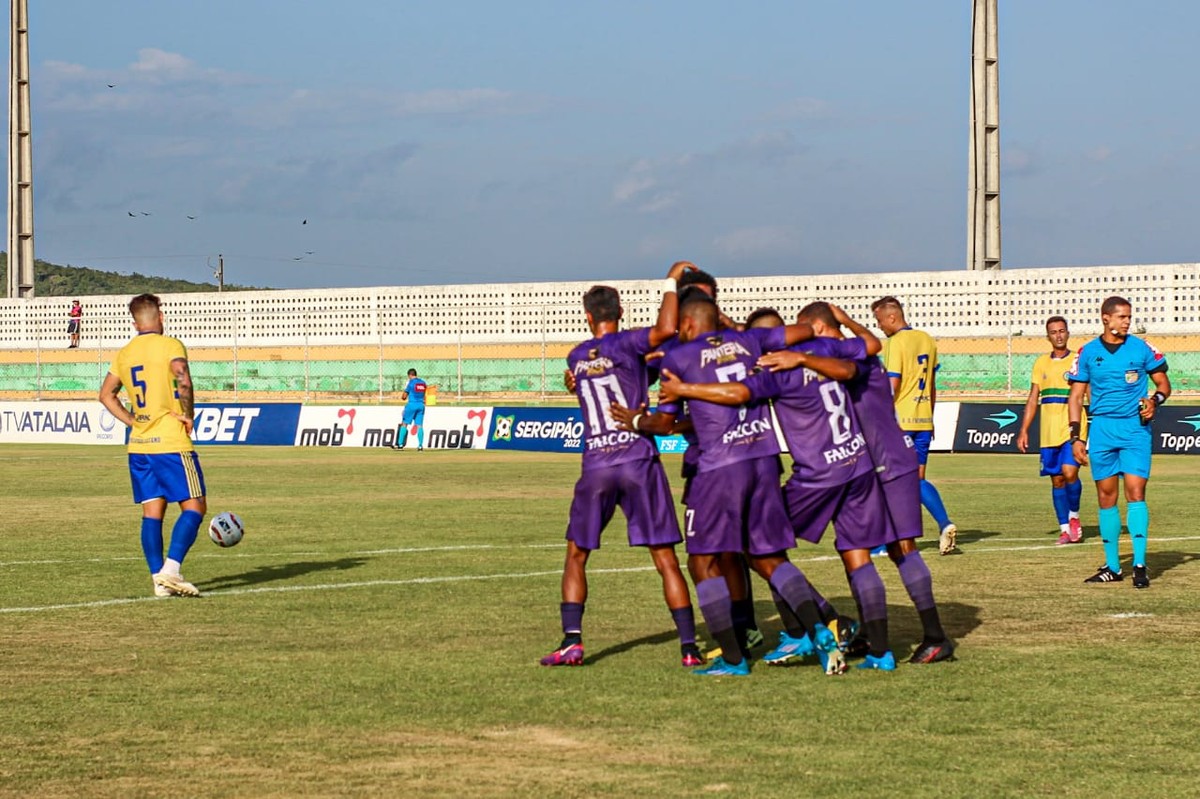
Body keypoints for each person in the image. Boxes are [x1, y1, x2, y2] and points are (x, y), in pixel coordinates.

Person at [659, 305, 901, 672]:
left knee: (761, 550)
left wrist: (683, 388)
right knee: (858, 557)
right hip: (857, 463)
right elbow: (862, 354)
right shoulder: (825, 349)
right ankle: (880, 653)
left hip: (816, 476)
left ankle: (803, 631)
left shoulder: (775, 370)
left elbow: (739, 393)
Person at [636, 294, 845, 677]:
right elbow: (803, 330)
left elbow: (665, 424)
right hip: (764, 459)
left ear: (686, 325)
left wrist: (634, 422)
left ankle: (734, 659)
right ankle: (820, 629)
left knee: (703, 560)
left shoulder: (678, 359)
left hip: (718, 467)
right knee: (768, 557)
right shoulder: (751, 341)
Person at [540, 261, 703, 668]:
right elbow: (664, 333)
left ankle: (572, 642)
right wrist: (671, 280)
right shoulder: (630, 344)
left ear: (588, 316)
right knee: (664, 557)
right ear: (622, 313)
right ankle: (688, 648)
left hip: (596, 463)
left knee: (577, 555)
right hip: (636, 459)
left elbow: (591, 374)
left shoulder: (576, 356)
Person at [797, 301, 954, 664]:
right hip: (871, 464)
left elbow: (864, 349)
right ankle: (873, 633)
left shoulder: (851, 359)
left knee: (899, 548)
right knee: (854, 548)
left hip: (886, 462)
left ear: (819, 330)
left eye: (806, 333)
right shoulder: (855, 351)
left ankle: (934, 636)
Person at [98, 293, 206, 598]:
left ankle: (159, 581)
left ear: (135, 323)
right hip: (170, 442)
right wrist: (188, 414)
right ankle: (171, 570)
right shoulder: (170, 345)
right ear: (159, 317)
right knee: (195, 506)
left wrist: (133, 421)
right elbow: (182, 380)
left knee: (152, 513)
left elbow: (106, 395)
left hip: (140, 445)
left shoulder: (125, 353)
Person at [1068, 296, 1170, 589]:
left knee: (1136, 493)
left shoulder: (1141, 348)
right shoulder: (1087, 352)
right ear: (1106, 318)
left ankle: (1139, 564)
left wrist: (1154, 401)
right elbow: (1075, 397)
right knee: (1106, 497)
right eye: (1122, 317)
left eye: (1129, 316)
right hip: (1101, 430)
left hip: (1135, 430)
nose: (1127, 321)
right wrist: (1076, 437)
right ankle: (1113, 567)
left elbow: (1164, 385)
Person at [871, 296, 958, 555]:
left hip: (900, 422)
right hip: (922, 420)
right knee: (915, 479)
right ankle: (945, 523)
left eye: (879, 321)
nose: (879, 327)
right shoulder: (927, 340)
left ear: (892, 317)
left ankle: (887, 543)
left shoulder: (896, 342)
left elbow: (893, 384)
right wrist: (929, 418)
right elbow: (931, 383)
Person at [1016, 316, 1086, 545]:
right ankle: (1065, 529)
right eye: (1054, 332)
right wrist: (1024, 430)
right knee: (1056, 480)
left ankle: (1074, 517)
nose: (1058, 335)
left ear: (1068, 333)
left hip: (1072, 428)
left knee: (1069, 472)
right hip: (1048, 431)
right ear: (1048, 336)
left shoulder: (1078, 360)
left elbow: (1090, 393)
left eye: (1062, 331)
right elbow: (1033, 399)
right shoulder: (1041, 364)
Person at [393, 368, 427, 450]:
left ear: (409, 375)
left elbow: (404, 397)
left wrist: (403, 395)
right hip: (421, 405)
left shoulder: (410, 383)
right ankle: (420, 445)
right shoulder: (423, 383)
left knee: (404, 424)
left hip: (412, 404)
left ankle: (400, 444)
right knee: (420, 426)